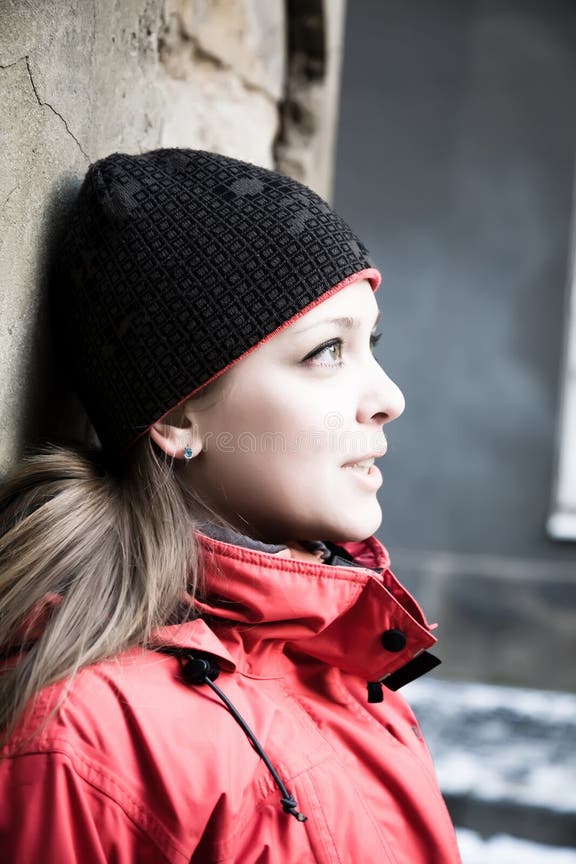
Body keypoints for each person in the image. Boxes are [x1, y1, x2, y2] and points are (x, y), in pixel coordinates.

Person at [0, 149, 461, 863]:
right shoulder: (83, 744)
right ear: (177, 416)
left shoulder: (343, 665)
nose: (389, 398)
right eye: (326, 351)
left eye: (369, 343)